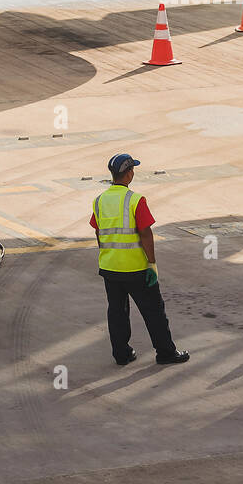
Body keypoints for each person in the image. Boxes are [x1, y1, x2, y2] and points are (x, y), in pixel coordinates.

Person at [91, 152, 189, 367]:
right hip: (135, 268)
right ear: (127, 174)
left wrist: (108, 255)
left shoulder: (99, 201)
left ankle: (122, 354)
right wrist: (151, 263)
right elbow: (145, 233)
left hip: (109, 268)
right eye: (132, 170)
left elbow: (99, 232)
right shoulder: (135, 200)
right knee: (153, 311)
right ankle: (165, 352)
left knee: (117, 312)